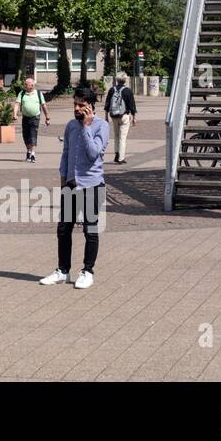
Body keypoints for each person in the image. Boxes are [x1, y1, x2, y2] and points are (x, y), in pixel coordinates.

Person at [40, 87, 110, 290]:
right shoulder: (70, 126)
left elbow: (93, 153)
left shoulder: (101, 126)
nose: (77, 108)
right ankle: (62, 270)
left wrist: (87, 127)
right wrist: (63, 179)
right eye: (75, 104)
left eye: (81, 105)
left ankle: (88, 271)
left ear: (90, 106)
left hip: (92, 185)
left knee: (91, 230)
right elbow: (66, 153)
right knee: (63, 229)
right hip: (70, 185)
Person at [103, 71, 137, 165]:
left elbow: (107, 104)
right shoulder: (128, 91)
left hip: (114, 116)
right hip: (124, 116)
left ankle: (116, 154)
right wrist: (134, 116)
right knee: (123, 137)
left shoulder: (112, 90)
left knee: (116, 136)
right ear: (125, 80)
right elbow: (132, 105)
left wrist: (106, 116)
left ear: (117, 80)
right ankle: (121, 158)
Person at [14, 77, 50, 163]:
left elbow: (44, 106)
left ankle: (33, 154)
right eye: (25, 84)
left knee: (33, 134)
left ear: (32, 85)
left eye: (26, 84)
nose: (25, 85)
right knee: (26, 135)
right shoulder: (22, 93)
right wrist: (14, 114)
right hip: (25, 117)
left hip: (35, 117)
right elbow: (17, 104)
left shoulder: (38, 93)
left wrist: (47, 117)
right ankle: (29, 151)